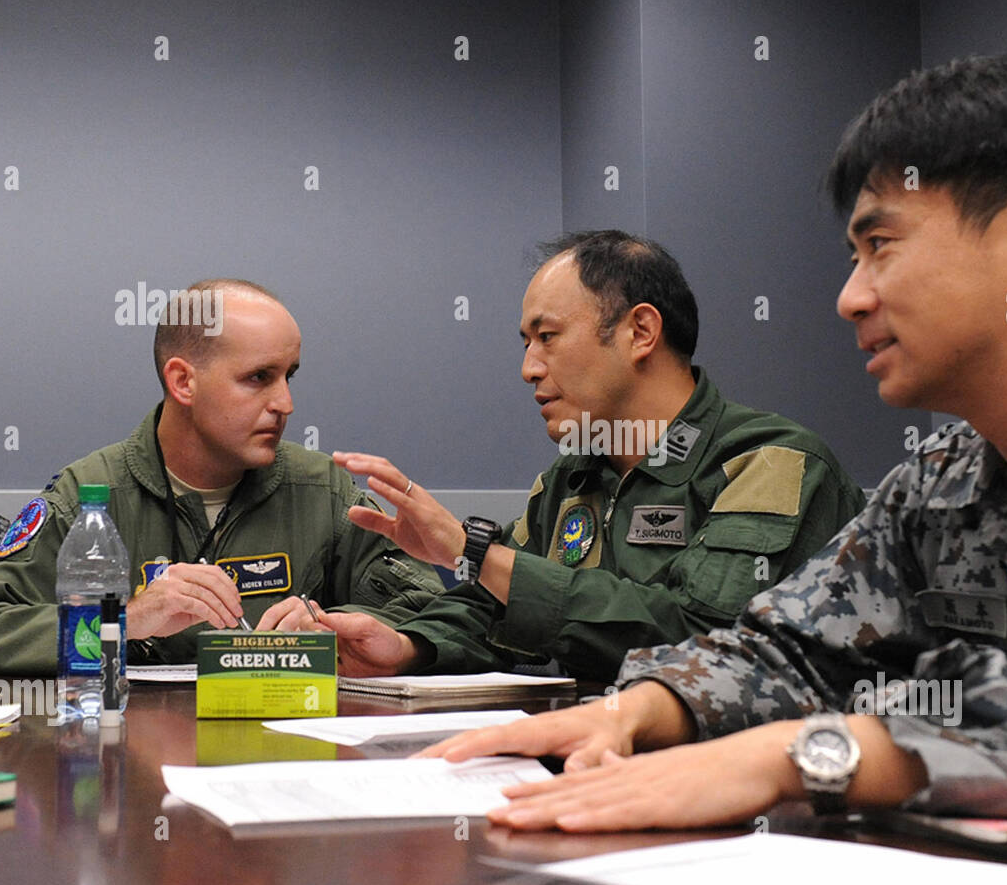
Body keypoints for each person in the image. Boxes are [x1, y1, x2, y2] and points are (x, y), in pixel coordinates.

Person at [424, 56, 1007, 830]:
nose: (850, 297)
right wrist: (643, 707)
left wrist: (806, 757)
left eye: (880, 245)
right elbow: (791, 646)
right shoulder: (939, 483)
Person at [274, 231, 863, 682]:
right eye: (526, 343)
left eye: (547, 337)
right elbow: (491, 609)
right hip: (585, 765)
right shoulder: (573, 475)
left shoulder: (769, 461)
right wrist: (406, 646)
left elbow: (702, 634)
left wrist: (469, 550)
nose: (529, 367)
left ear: (640, 332)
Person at [0, 279, 443, 674]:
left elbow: (436, 614)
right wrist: (123, 621)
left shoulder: (324, 491)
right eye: (259, 377)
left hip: (281, 759)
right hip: (128, 762)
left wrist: (334, 626)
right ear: (183, 381)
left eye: (288, 376)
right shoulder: (89, 498)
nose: (285, 404)